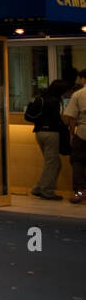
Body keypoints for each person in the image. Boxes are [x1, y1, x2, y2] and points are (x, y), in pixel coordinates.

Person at [28, 79, 69, 200]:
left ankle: (40, 187)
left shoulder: (41, 97)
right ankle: (46, 190)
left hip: (39, 132)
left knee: (51, 163)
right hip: (51, 133)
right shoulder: (54, 101)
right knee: (53, 163)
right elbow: (56, 119)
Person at [64, 68, 86, 203]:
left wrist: (72, 134)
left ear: (83, 79)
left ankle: (80, 191)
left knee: (78, 162)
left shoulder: (78, 94)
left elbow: (71, 117)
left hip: (83, 133)